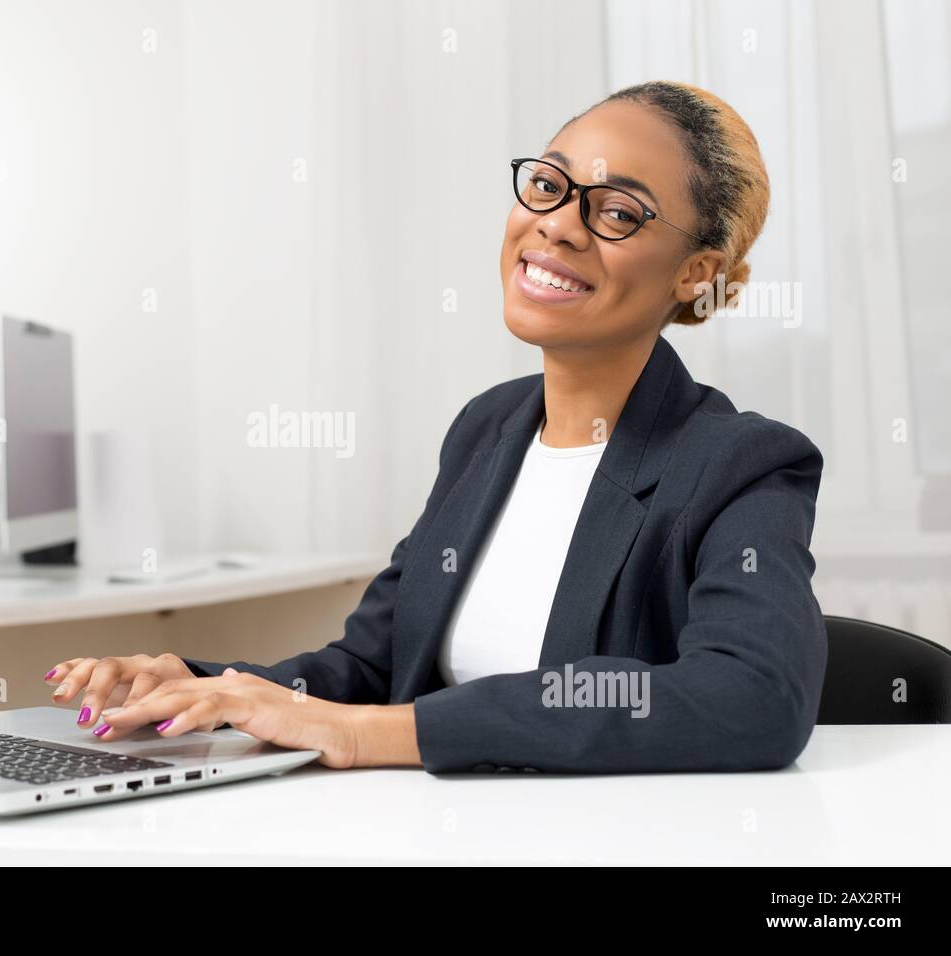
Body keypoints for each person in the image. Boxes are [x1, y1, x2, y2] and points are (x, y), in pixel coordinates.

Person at [43, 80, 826, 774]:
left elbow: (753, 697)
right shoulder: (487, 429)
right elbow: (371, 666)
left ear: (695, 270)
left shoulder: (740, 463)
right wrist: (202, 687)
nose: (557, 225)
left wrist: (372, 736)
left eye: (617, 211)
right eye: (549, 185)